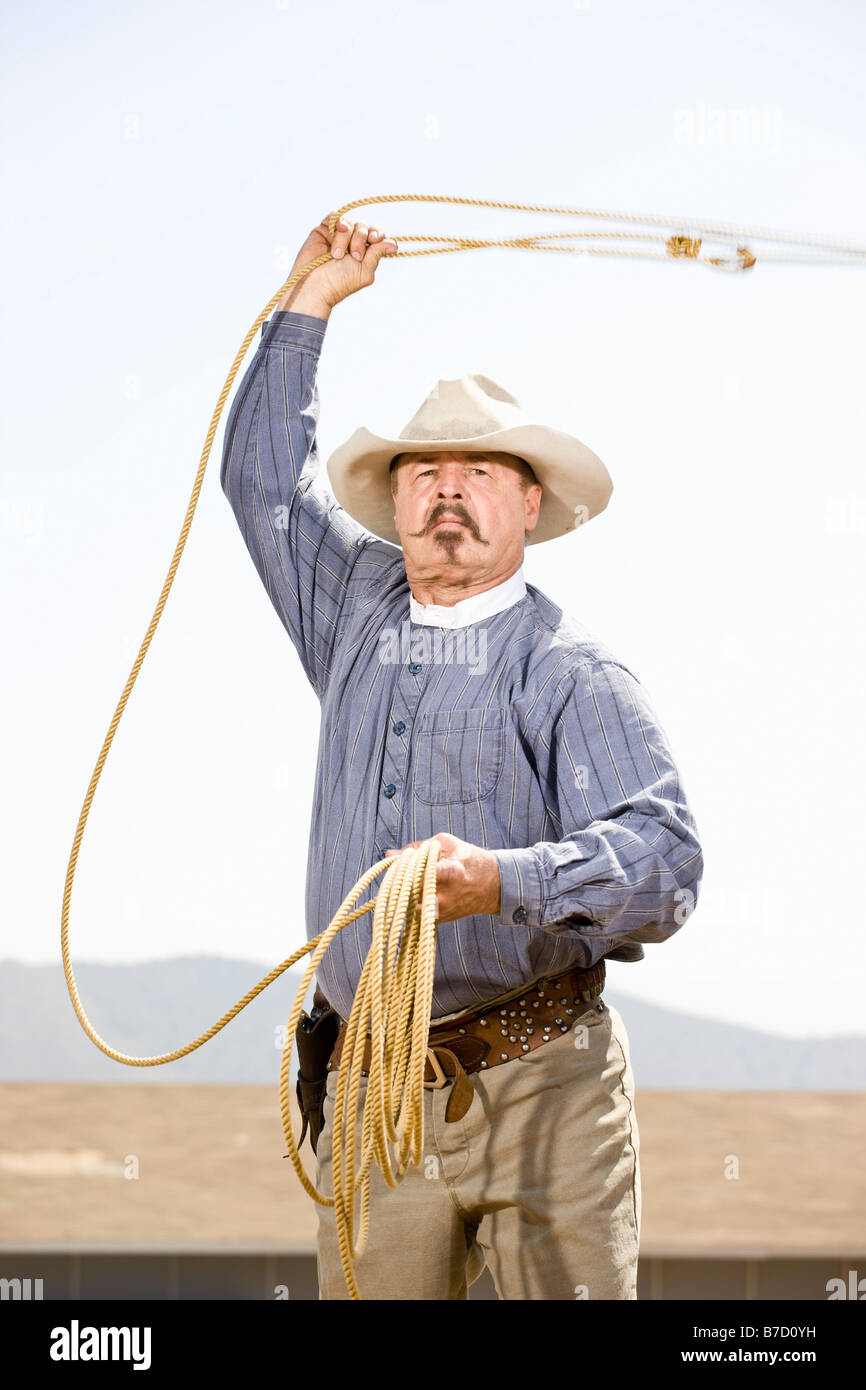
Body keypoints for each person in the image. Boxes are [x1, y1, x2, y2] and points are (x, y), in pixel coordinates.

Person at [220, 212, 704, 1300]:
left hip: (545, 1086)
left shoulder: (569, 671)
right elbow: (260, 487)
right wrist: (307, 303)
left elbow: (663, 860)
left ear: (527, 503)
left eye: (478, 469)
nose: (446, 488)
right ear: (392, 502)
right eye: (423, 469)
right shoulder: (349, 607)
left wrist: (501, 879)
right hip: (375, 1081)